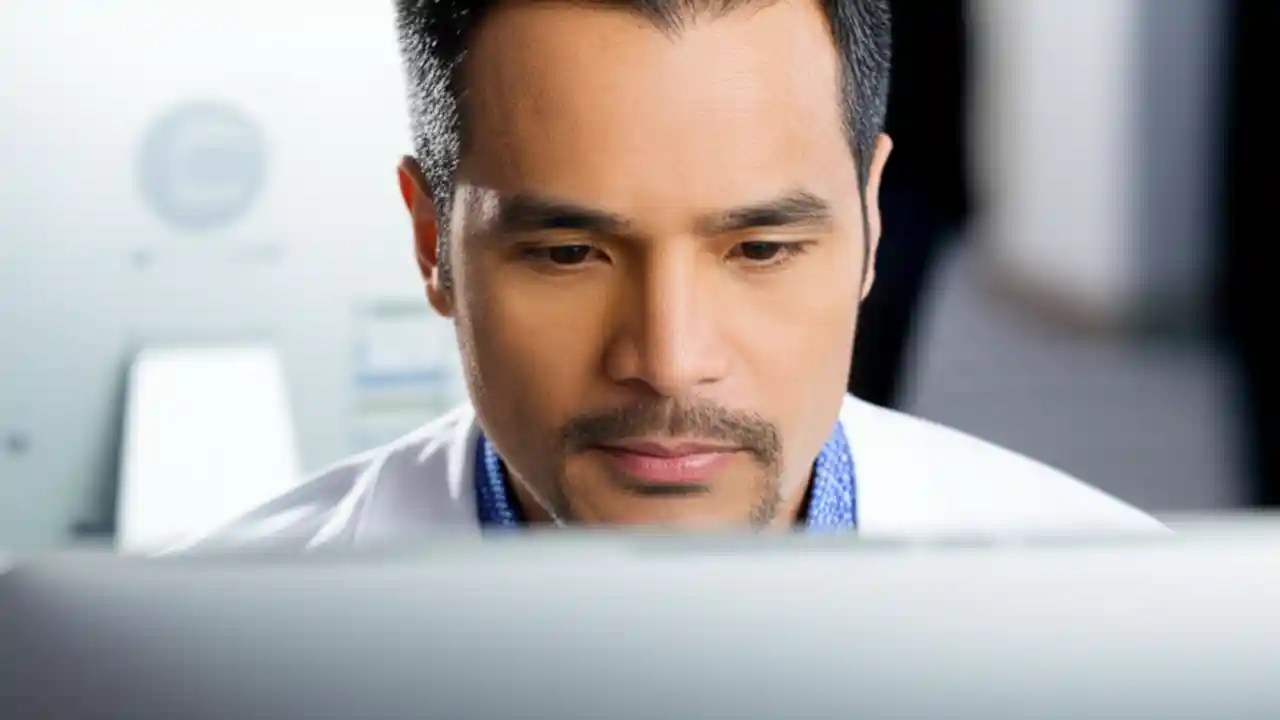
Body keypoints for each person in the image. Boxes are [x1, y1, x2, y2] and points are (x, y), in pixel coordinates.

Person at [184, 0, 1161, 551]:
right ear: (430, 239)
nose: (667, 360)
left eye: (760, 250)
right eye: (568, 253)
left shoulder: (1134, 627)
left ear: (868, 225)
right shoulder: (176, 663)